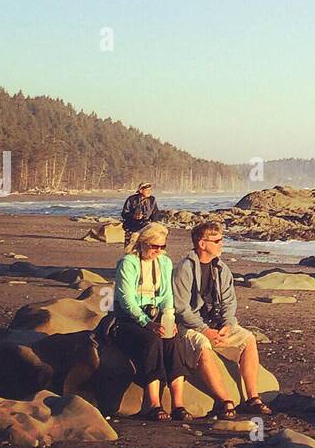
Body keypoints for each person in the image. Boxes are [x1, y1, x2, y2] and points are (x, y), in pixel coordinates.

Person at [172, 221, 271, 419]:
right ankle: (224, 401)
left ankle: (253, 397)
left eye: (221, 240)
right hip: (190, 326)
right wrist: (203, 330)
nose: (221, 245)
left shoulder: (222, 269)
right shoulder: (184, 268)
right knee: (202, 346)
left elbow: (229, 301)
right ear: (202, 244)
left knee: (248, 339)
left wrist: (228, 323)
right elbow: (180, 307)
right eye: (217, 241)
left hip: (216, 323)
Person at [112, 222, 190, 422]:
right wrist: (145, 322)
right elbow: (126, 299)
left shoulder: (164, 262)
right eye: (154, 246)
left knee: (172, 341)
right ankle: (154, 403)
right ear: (143, 243)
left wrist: (169, 318)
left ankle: (178, 404)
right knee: (152, 340)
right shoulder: (128, 263)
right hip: (128, 319)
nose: (159, 251)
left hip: (155, 315)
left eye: (162, 246)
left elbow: (166, 296)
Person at [121, 181, 159, 251]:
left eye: (150, 190)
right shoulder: (131, 199)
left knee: (146, 250)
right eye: (147, 190)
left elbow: (155, 213)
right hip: (132, 227)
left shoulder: (152, 199)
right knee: (130, 250)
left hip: (146, 227)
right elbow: (124, 214)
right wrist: (133, 216)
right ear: (141, 190)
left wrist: (154, 225)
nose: (149, 192)